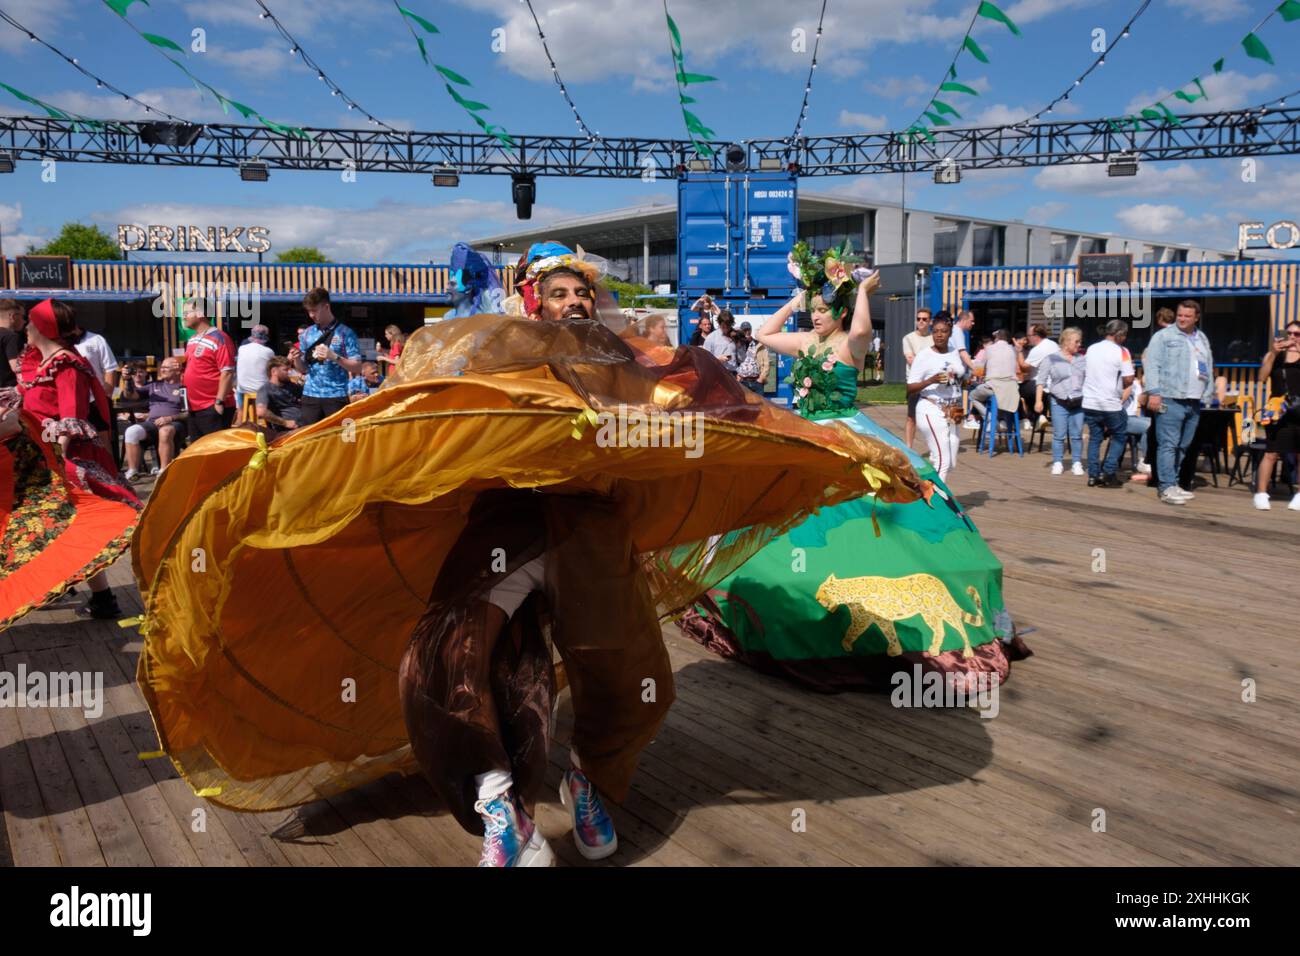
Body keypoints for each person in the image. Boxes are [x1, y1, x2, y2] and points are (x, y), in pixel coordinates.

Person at [130, 239, 919, 868]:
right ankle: (499, 805)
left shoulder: (630, 367)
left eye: (583, 292)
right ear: (531, 300)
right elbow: (409, 417)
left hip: (593, 534)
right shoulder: (493, 357)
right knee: (441, 656)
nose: (575, 302)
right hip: (504, 531)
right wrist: (282, 453)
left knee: (631, 675)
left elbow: (720, 414)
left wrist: (831, 445)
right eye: (559, 293)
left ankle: (593, 785)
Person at [684, 239, 1026, 694]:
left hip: (847, 433)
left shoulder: (852, 343)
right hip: (805, 432)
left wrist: (861, 290)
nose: (818, 316)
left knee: (870, 508)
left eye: (825, 309)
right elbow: (765, 335)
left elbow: (862, 325)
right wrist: (798, 300)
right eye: (816, 310)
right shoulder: (807, 340)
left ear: (841, 312)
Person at [6, 299, 140, 622]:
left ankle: (102, 597)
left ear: (43, 327)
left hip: (63, 457)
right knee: (61, 528)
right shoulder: (41, 362)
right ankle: (93, 594)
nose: (25, 326)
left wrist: (58, 464)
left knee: (77, 526)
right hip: (39, 456)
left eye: (31, 322)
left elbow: (72, 417)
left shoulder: (67, 365)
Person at [1144, 300, 1214, 505]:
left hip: (1193, 400)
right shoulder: (1163, 336)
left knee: (1183, 445)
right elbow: (1152, 365)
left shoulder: (1201, 337)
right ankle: (1165, 487)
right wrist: (1154, 393)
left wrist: (1207, 394)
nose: (1182, 319)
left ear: (1196, 317)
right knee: (1168, 444)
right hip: (1170, 397)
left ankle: (1174, 483)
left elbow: (1208, 365)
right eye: (1180, 315)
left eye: (1187, 316)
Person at [907, 316, 967, 481]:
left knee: (951, 462)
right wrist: (931, 380)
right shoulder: (924, 356)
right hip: (930, 408)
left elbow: (959, 380)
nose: (939, 335)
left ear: (950, 333)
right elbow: (910, 387)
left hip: (953, 410)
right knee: (943, 461)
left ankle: (922, 485)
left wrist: (963, 379)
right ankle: (936, 502)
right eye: (936, 332)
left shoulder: (954, 352)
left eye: (944, 331)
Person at [291, 288, 363, 425]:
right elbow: (303, 369)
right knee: (308, 442)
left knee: (343, 440)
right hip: (310, 395)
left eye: (314, 310)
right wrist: (296, 359)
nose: (311, 315)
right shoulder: (307, 334)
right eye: (309, 311)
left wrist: (334, 357)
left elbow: (358, 367)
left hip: (336, 396)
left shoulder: (346, 333)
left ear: (326, 307)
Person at [1082, 319, 1135, 490]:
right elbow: (1128, 378)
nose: (1125, 338)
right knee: (1120, 435)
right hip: (1110, 402)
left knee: (1095, 439)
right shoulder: (1123, 352)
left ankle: (1093, 475)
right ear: (1119, 334)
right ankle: (1109, 472)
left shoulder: (1091, 348)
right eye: (1125, 335)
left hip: (1090, 401)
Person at [1253, 320, 1300, 511]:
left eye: (1297, 334)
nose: (1292, 337)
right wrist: (1273, 353)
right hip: (1278, 410)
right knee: (1271, 452)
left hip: (1299, 410)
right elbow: (1262, 377)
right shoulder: (1274, 356)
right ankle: (1261, 493)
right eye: (1289, 333)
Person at [180, 299, 237, 441]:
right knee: (198, 450)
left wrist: (219, 402)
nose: (184, 316)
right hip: (194, 406)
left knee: (215, 451)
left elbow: (227, 372)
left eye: (187, 312)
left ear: (200, 313)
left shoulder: (220, 338)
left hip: (212, 405)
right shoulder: (193, 339)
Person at [120, 356, 185, 478]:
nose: (162, 370)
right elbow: (130, 396)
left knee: (165, 431)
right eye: (162, 367)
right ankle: (133, 471)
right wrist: (127, 380)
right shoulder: (154, 385)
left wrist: (169, 418)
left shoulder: (183, 387)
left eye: (166, 367)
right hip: (152, 423)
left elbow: (188, 413)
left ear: (177, 370)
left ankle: (163, 471)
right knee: (131, 431)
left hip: (175, 423)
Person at [1035, 326, 1087, 476]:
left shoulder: (1082, 359)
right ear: (1066, 341)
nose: (1079, 345)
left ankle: (1076, 462)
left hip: (1078, 401)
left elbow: (1089, 379)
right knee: (1059, 434)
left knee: (1077, 434)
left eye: (1080, 342)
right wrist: (1039, 401)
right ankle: (1058, 462)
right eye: (1076, 342)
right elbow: (1041, 381)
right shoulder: (1051, 358)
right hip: (1059, 400)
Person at [967, 329, 1020, 438]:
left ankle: (991, 418)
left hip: (993, 387)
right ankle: (1002, 420)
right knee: (1001, 397)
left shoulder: (989, 349)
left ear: (997, 338)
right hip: (1011, 389)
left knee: (972, 395)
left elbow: (982, 369)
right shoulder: (1013, 350)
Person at [901, 309, 934, 448]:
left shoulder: (934, 338)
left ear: (930, 322)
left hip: (932, 383)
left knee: (933, 418)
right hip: (914, 383)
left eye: (924, 319)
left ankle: (934, 448)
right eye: (919, 318)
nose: (921, 321)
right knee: (911, 417)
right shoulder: (908, 338)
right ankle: (909, 448)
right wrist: (931, 365)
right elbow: (910, 360)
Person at [254, 356, 302, 437]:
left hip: (307, 422)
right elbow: (261, 412)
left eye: (289, 370)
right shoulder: (265, 389)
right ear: (274, 371)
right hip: (289, 431)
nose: (289, 373)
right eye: (285, 370)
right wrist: (285, 423)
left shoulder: (291, 385)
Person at [235, 324, 275, 416]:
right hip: (260, 390)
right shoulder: (269, 351)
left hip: (243, 389)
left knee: (239, 389)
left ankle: (241, 415)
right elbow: (273, 370)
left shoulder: (242, 348)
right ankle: (269, 423)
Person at [74, 325, 121, 396]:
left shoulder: (97, 339)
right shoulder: (57, 341)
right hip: (69, 400)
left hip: (95, 400)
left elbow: (110, 369)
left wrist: (105, 397)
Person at [1123, 368, 1152, 479]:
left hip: (1135, 417)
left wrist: (1147, 389)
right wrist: (1128, 388)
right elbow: (1117, 402)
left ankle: (1147, 460)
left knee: (1153, 424)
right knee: (1149, 426)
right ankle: (1144, 460)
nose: (1133, 367)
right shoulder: (1118, 383)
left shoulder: (1136, 383)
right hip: (1122, 418)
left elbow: (1143, 401)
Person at [0, 299, 24, 388]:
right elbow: (15, 367)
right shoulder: (10, 336)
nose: (24, 321)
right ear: (13, 316)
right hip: (6, 390)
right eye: (23, 316)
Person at [734, 321, 763, 393]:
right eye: (744, 330)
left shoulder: (757, 343)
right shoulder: (736, 344)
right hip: (742, 381)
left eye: (748, 329)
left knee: (759, 404)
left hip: (756, 381)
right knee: (743, 404)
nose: (747, 332)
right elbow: (732, 360)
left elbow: (765, 361)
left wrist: (762, 377)